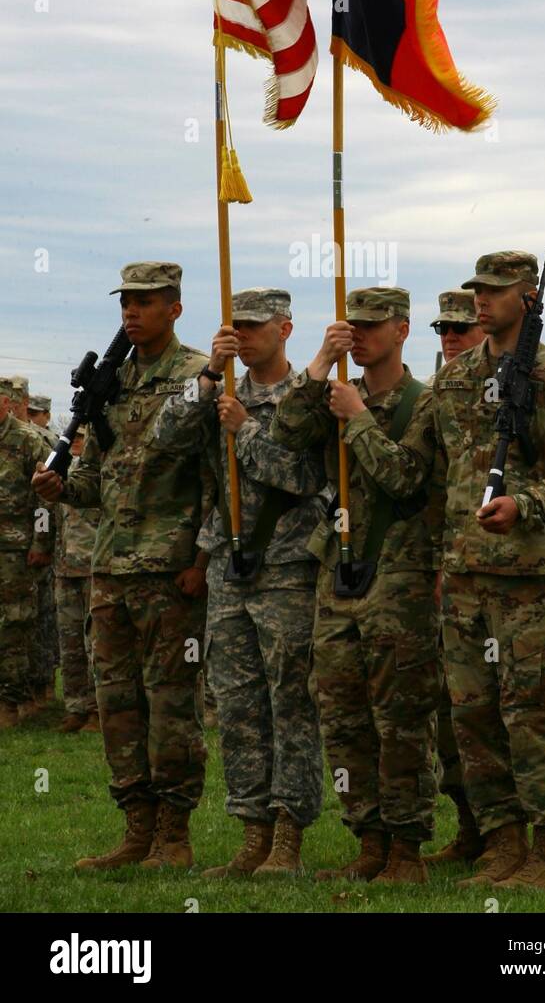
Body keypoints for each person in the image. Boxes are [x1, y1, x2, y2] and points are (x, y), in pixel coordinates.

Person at [33, 262, 216, 870]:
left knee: (170, 706)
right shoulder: (111, 382)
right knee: (117, 705)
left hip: (169, 571)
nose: (131, 312)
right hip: (110, 570)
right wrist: (61, 488)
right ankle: (136, 829)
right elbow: (96, 481)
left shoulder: (197, 376)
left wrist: (202, 556)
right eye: (126, 303)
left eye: (145, 302)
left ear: (175, 309)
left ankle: (175, 834)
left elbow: (218, 477)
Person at [434, 251, 545, 891]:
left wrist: (526, 503)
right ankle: (502, 845)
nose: (482, 300)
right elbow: (435, 466)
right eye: (478, 288)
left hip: (532, 583)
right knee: (472, 717)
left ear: (528, 297)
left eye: (497, 290)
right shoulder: (458, 378)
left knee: (535, 716)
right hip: (465, 579)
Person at [154, 287, 327, 878]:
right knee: (237, 707)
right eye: (238, 327)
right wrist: (208, 375)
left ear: (285, 329)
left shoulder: (311, 396)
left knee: (290, 701)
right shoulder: (221, 391)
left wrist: (248, 430)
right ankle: (252, 831)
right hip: (229, 567)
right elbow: (165, 435)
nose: (246, 336)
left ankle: (288, 838)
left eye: (256, 327)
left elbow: (306, 479)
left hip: (287, 567)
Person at [272, 286, 441, 885]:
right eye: (354, 327)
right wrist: (318, 365)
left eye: (374, 326)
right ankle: (367, 838)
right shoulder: (337, 392)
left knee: (399, 719)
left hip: (399, 578)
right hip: (337, 577)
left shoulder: (425, 402)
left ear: (402, 330)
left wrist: (361, 421)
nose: (362, 336)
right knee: (342, 717)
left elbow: (406, 478)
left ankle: (406, 850)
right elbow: (285, 432)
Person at [423, 289, 486, 867]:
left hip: (514, 581)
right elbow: (431, 487)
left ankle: (514, 837)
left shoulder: (531, 385)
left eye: (460, 329)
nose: (450, 337)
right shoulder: (440, 394)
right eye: (443, 327)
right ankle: (471, 829)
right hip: (449, 574)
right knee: (453, 712)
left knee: (509, 711)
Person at [0, 378, 53, 728]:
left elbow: (45, 498)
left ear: (5, 404)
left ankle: (10, 702)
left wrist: (40, 543)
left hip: (16, 550)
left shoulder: (27, 440)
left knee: (13, 626)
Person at [55, 427, 100, 733]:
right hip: (65, 567)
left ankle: (98, 710)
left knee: (96, 644)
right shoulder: (61, 473)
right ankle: (75, 708)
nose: (78, 442)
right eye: (76, 437)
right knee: (70, 643)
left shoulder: (97, 475)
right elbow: (48, 516)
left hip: (94, 566)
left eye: (84, 437)